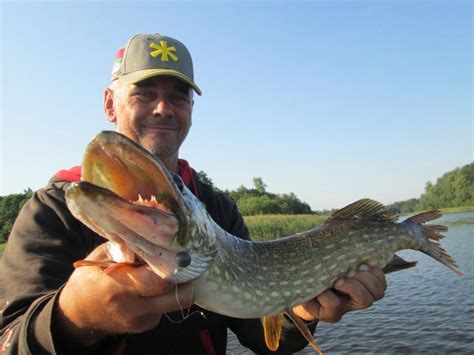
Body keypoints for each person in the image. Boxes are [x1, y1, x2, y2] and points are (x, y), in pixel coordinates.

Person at [0, 33, 387, 354]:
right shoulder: (50, 211)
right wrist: (75, 317)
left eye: (179, 96)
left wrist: (302, 310)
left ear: (190, 109)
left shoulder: (216, 206)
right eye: (144, 93)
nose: (164, 108)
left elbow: (260, 334)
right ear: (109, 104)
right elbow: (9, 342)